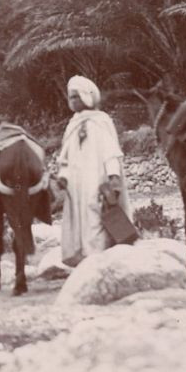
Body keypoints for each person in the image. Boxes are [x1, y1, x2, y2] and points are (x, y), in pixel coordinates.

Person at [54, 75, 133, 267]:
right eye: (70, 97)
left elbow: (111, 153)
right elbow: (65, 158)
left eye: (75, 96)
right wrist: (63, 179)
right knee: (79, 221)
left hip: (97, 180)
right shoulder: (73, 124)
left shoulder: (100, 121)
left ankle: (97, 261)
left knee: (95, 216)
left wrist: (113, 177)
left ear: (86, 97)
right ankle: (84, 261)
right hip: (76, 184)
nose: (71, 101)